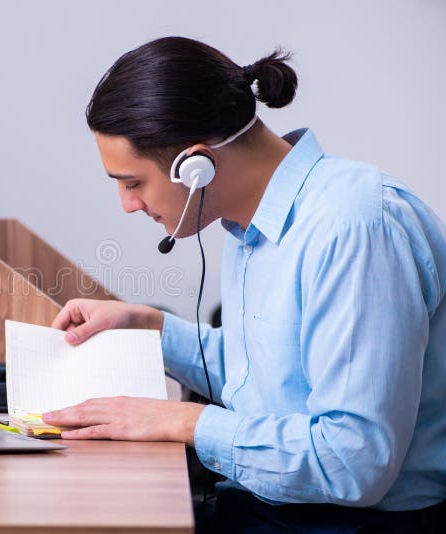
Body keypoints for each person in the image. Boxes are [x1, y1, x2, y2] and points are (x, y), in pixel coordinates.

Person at [41, 36, 446, 532]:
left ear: (196, 166)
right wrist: (151, 328)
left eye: (132, 183)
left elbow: (352, 463)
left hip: (351, 523)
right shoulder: (248, 225)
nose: (128, 205)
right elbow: (270, 379)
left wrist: (181, 422)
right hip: (282, 508)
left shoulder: (352, 229)